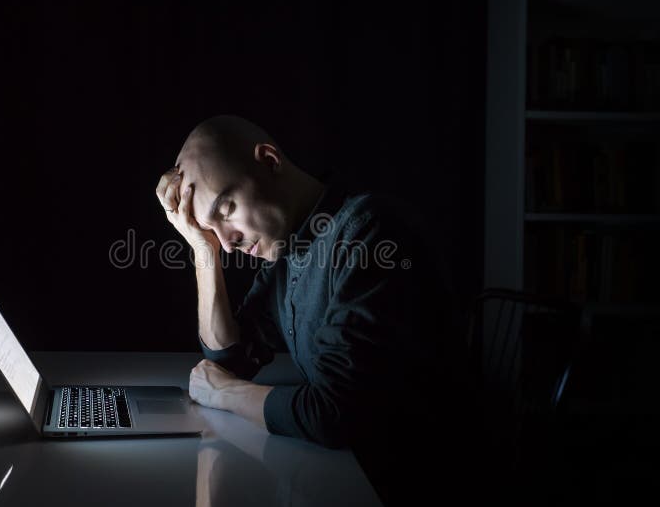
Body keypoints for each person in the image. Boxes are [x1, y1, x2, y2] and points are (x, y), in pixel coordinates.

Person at [155, 115, 474, 504]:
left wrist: (226, 393)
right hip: (342, 479)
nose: (228, 240)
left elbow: (333, 414)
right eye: (212, 227)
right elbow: (230, 357)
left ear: (270, 161)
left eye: (227, 208)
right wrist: (203, 251)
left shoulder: (370, 232)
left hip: (411, 487)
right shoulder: (289, 245)